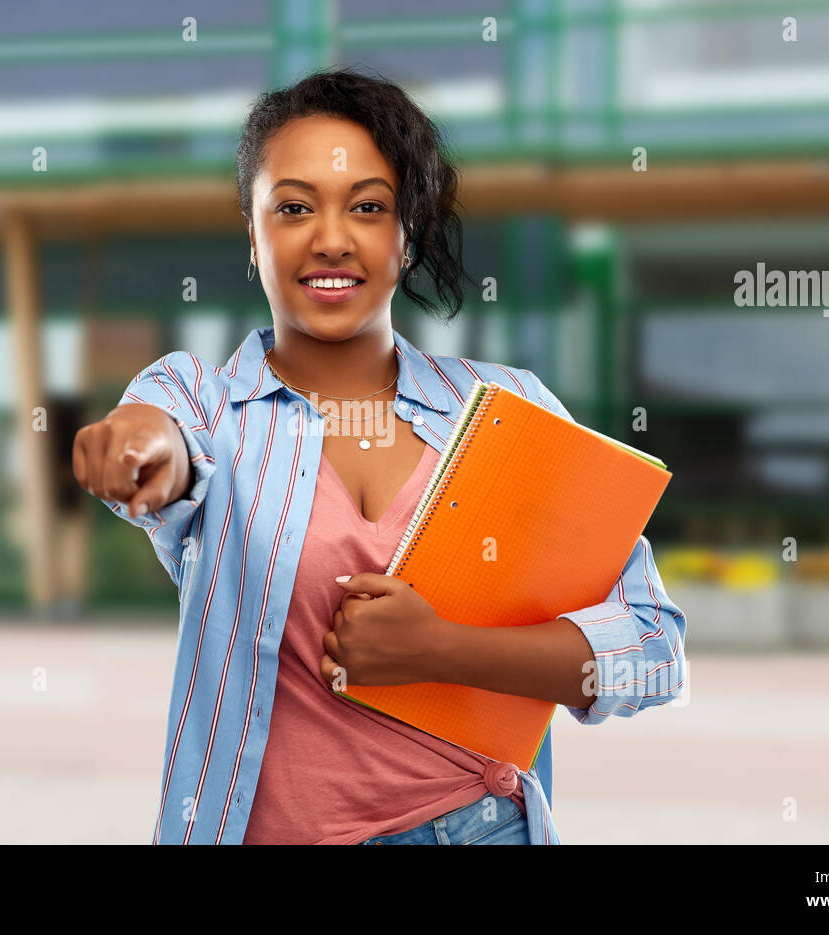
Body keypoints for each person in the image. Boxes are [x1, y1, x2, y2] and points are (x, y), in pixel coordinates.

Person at [72, 66, 687, 845]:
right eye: (293, 207)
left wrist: (440, 649)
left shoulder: (508, 412)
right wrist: (136, 450)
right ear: (251, 234)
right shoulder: (207, 403)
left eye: (368, 207)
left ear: (407, 236)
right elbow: (160, 436)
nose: (331, 238)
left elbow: (652, 653)